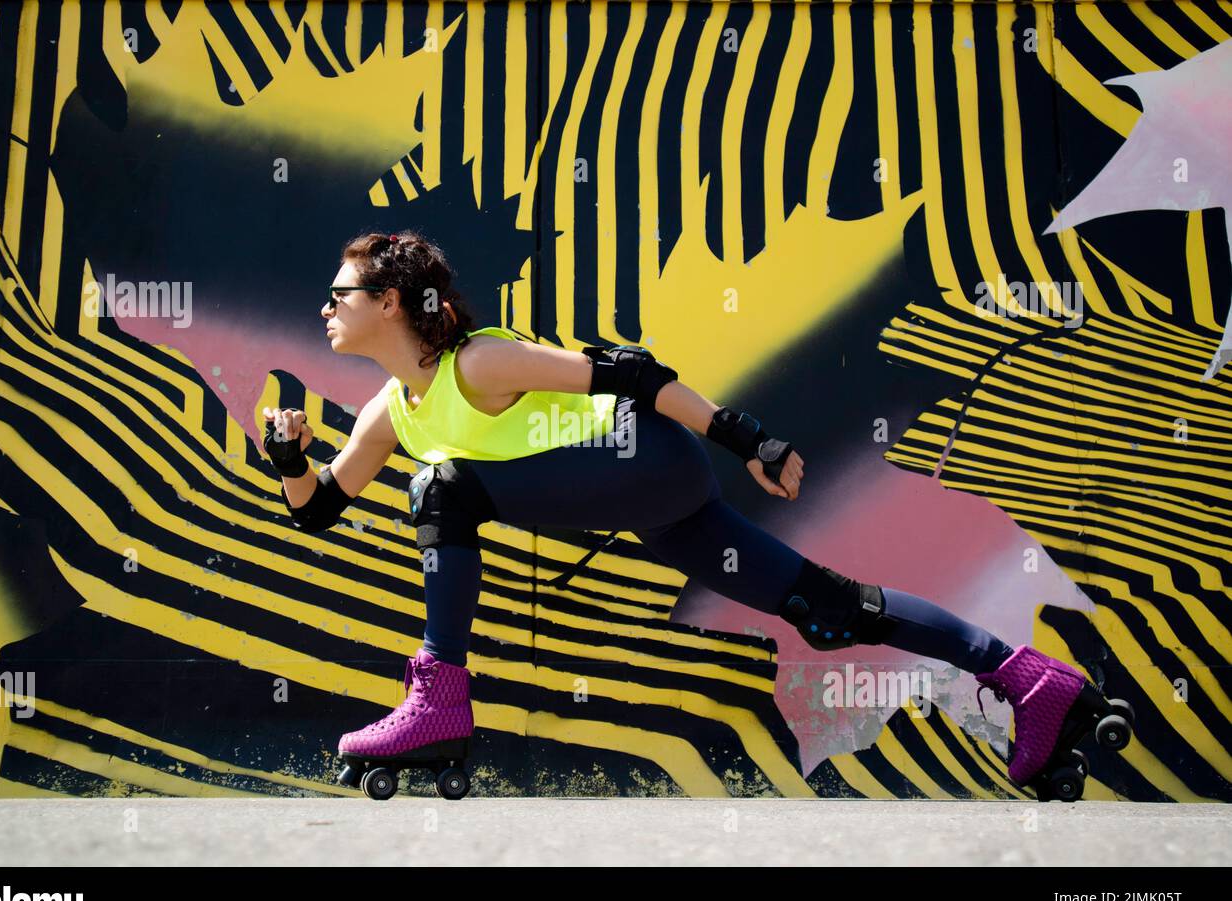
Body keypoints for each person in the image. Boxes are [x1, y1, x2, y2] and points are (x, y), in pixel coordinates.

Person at [262, 229, 1124, 798]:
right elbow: (320, 511)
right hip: (655, 508)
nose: (327, 308)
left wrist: (749, 439)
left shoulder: (478, 363)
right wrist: (293, 460)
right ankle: (1029, 680)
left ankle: (440, 699)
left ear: (394, 302)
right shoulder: (391, 411)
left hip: (645, 456)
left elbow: (632, 371)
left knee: (443, 487)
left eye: (342, 293)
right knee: (828, 611)